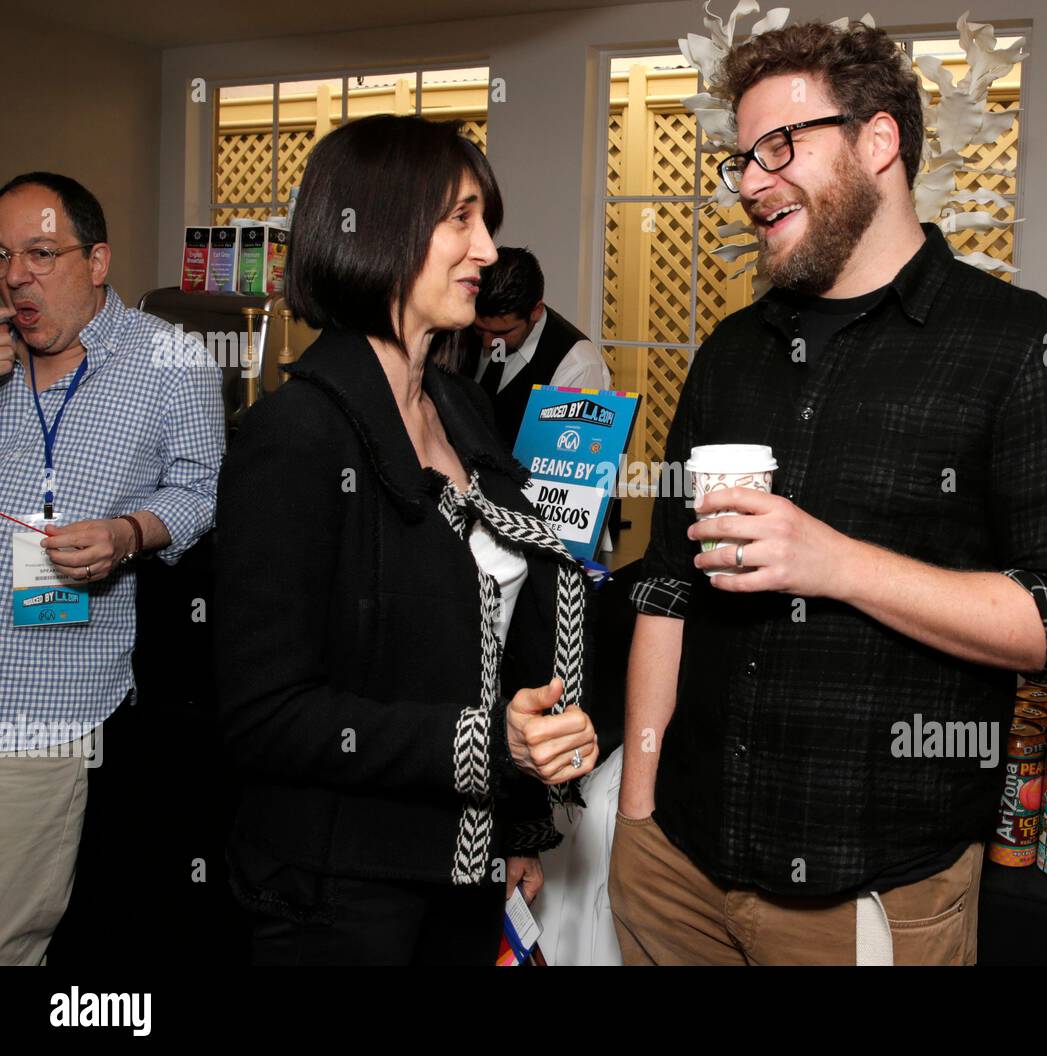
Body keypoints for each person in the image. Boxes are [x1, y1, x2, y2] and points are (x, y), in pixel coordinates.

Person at [609, 21, 1047, 965]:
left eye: (780, 148)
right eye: (741, 161)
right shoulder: (730, 353)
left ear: (878, 141)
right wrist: (636, 812)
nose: (752, 182)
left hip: (871, 896)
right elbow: (666, 588)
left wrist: (836, 563)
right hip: (675, 869)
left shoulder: (1018, 346)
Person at [214, 115, 600, 966]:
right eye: (460, 219)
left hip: (460, 870)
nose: (488, 250)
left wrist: (514, 827)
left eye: (484, 220)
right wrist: (482, 741)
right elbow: (265, 713)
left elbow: (495, 641)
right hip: (338, 892)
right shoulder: (297, 435)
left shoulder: (458, 410)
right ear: (380, 231)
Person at [0, 172, 224, 965]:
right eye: (3, 256)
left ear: (96, 262)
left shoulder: (170, 358)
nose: (16, 275)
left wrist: (131, 533)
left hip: (45, 694)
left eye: (40, 253)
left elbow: (205, 488)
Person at [470, 246, 611, 445]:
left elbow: (564, 461)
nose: (487, 342)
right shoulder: (462, 328)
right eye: (479, 329)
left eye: (501, 333)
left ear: (535, 311)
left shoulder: (578, 366)